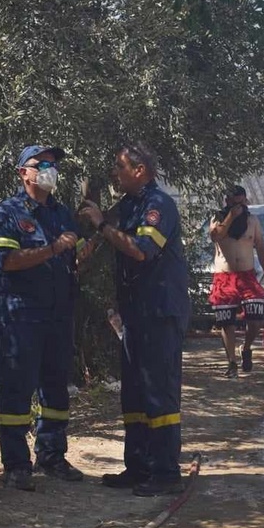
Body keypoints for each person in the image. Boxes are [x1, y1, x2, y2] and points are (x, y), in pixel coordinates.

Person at [78, 143, 190, 497]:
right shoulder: (128, 205)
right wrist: (92, 232)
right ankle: (138, 466)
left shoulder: (159, 206)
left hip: (159, 312)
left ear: (140, 170)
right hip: (135, 315)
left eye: (120, 166)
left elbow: (141, 250)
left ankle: (166, 472)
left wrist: (101, 226)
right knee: (135, 394)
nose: (115, 173)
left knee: (159, 392)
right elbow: (100, 227)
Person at [0, 145, 84, 491]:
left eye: (53, 165)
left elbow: (76, 254)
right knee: (16, 388)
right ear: (22, 173)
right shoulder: (9, 212)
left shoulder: (61, 213)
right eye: (41, 164)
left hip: (58, 314)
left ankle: (52, 455)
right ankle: (16, 464)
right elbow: (8, 262)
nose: (49, 169)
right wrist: (54, 248)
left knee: (56, 388)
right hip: (21, 315)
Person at [208, 185, 264, 378]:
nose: (241, 206)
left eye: (243, 202)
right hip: (224, 277)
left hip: (247, 276)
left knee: (255, 319)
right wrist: (231, 217)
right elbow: (216, 236)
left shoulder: (252, 221)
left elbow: (260, 247)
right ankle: (231, 362)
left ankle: (246, 348)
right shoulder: (218, 219)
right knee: (226, 322)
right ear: (228, 202)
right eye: (236, 203)